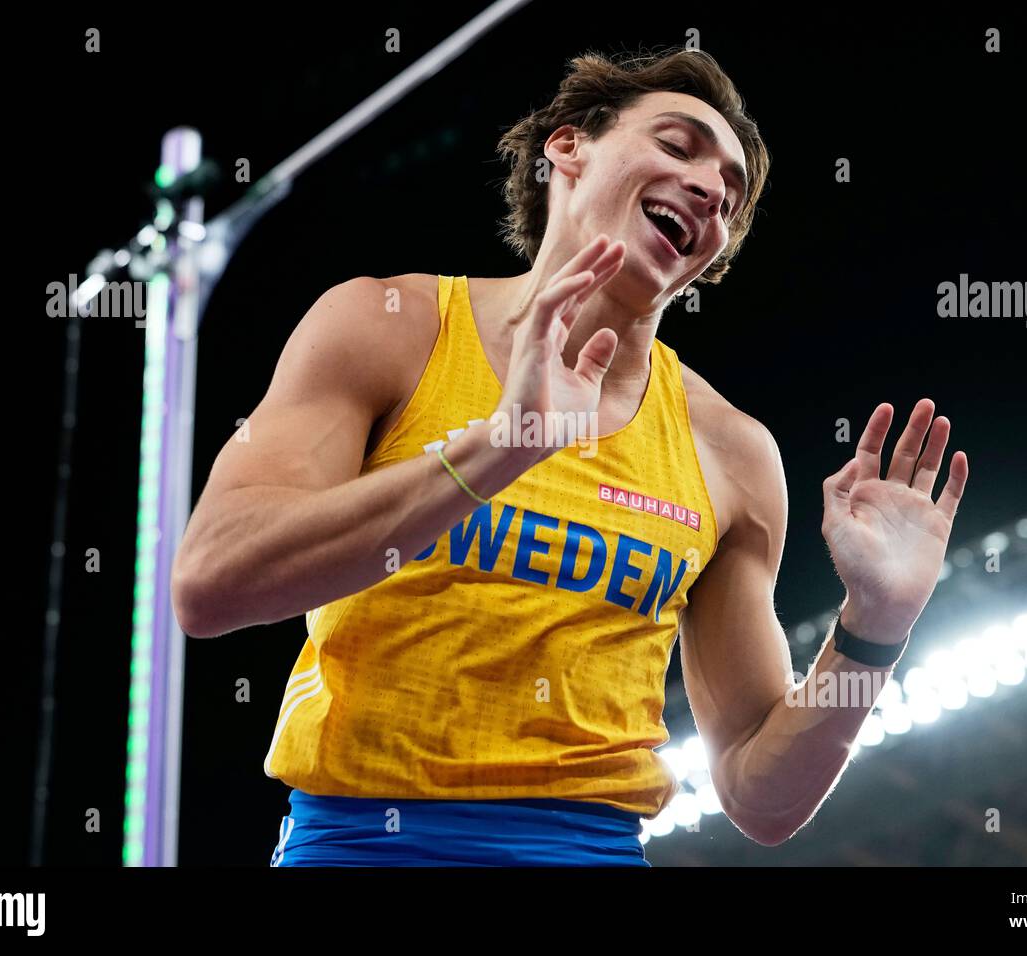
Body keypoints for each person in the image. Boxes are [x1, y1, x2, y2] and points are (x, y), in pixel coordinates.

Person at [171, 48, 969, 866]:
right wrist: (495, 451)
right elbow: (211, 585)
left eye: (729, 196)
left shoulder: (731, 452)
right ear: (567, 146)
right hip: (359, 846)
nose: (708, 189)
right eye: (678, 145)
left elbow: (762, 797)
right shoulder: (388, 325)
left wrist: (876, 627)